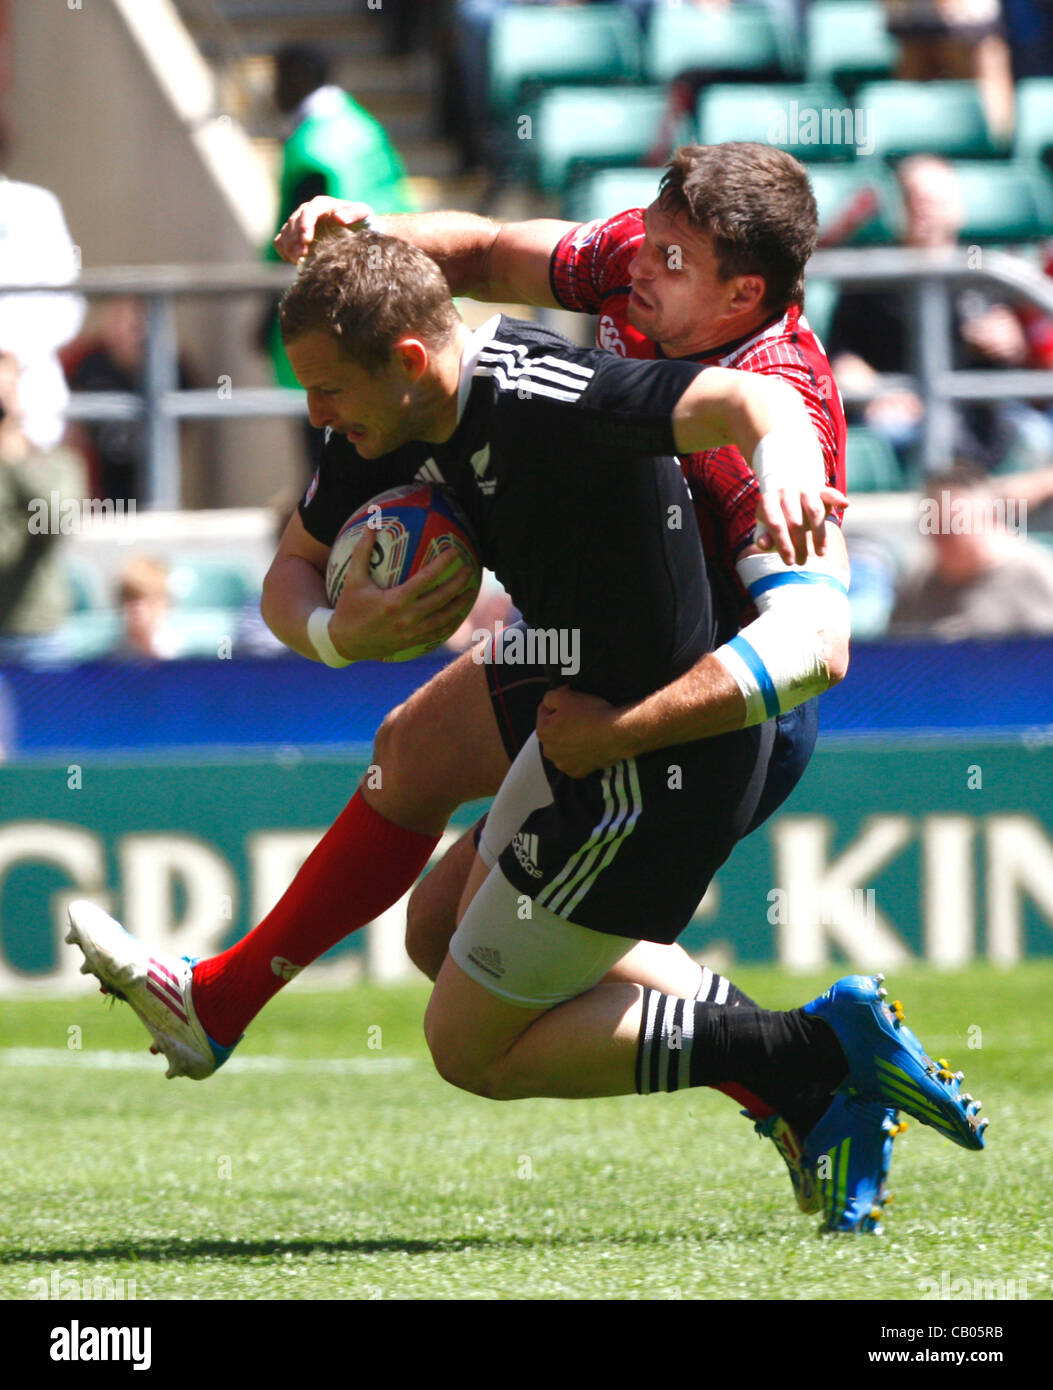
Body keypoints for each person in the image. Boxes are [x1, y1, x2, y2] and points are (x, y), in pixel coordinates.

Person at [67, 221, 986, 1230]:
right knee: (428, 888)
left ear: (409, 361)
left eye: (327, 388)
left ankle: (806, 1058)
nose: (314, 412)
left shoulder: (550, 396)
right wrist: (341, 631)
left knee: (468, 1048)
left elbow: (752, 403)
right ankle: (219, 1005)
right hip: (570, 665)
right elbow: (291, 570)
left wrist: (784, 452)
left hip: (652, 737)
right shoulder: (391, 409)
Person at [261, 43, 415, 474]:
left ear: (295, 79)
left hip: (342, 312)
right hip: (401, 289)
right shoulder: (361, 124)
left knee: (333, 460)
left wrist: (264, 317)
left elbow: (300, 238)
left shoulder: (311, 145)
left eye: (277, 78)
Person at [890, 462, 1053, 637]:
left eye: (954, 527)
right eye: (933, 527)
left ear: (990, 520)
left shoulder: (1035, 576)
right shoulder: (917, 583)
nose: (941, 537)